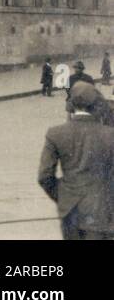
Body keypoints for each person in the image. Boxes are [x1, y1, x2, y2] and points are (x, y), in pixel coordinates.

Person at [38, 82, 114, 240]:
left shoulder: (55, 133)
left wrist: (65, 196)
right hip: (101, 213)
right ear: (95, 105)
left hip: (70, 213)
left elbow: (45, 177)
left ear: (71, 105)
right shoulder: (110, 135)